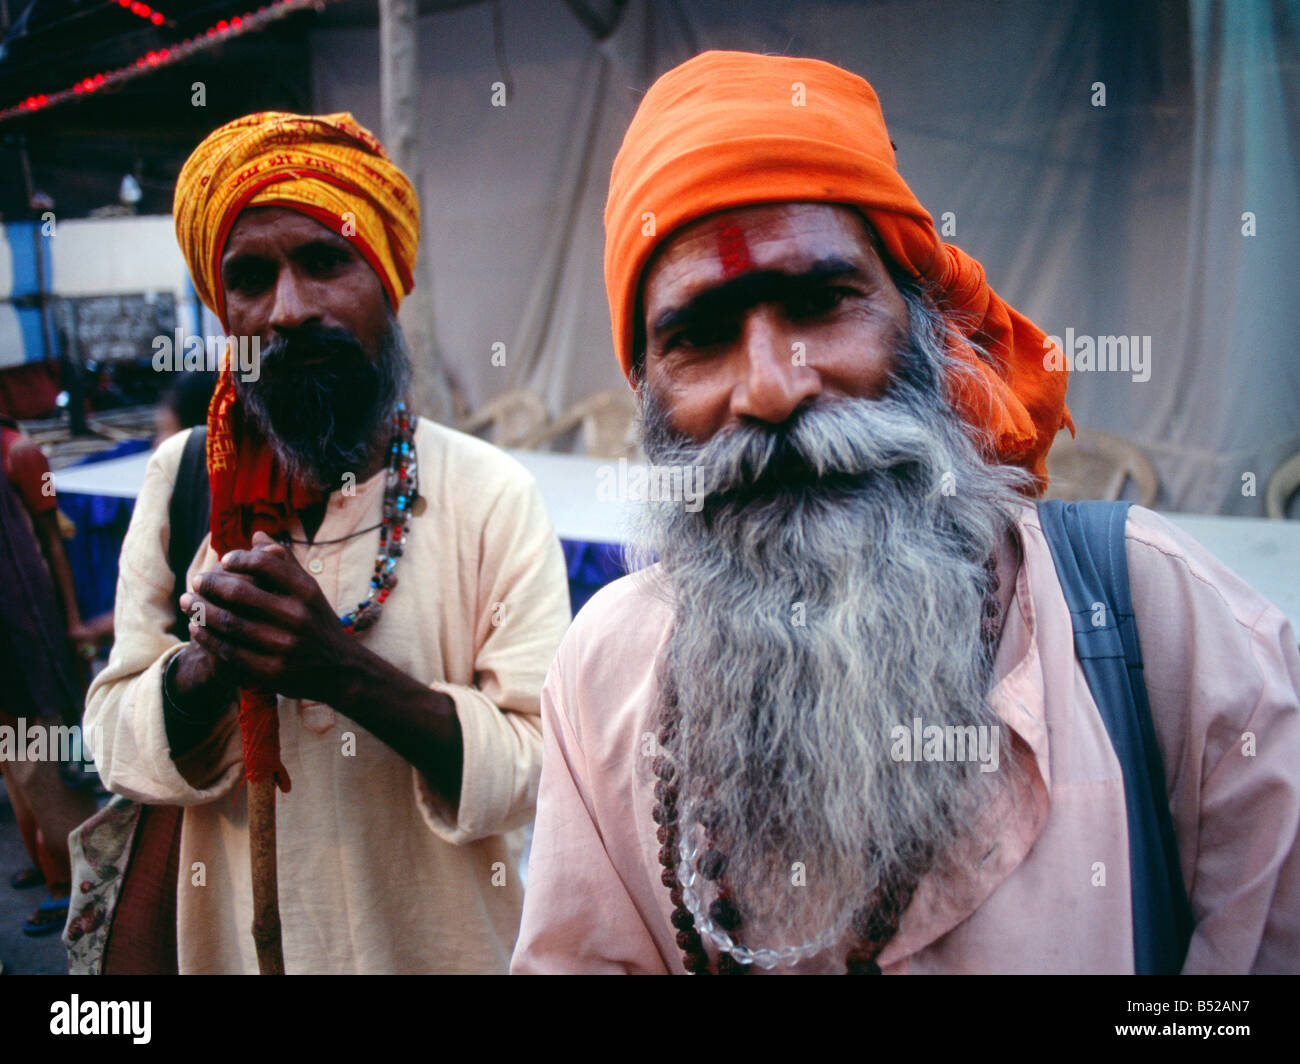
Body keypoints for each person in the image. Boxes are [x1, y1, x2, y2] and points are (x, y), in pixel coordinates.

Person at [511, 51, 1300, 974]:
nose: (770, 390)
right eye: (699, 336)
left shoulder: (1164, 626)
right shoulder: (606, 675)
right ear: (646, 390)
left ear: (923, 321)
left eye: (820, 302)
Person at [84, 112, 571, 973]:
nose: (290, 310)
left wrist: (339, 671)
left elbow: (541, 767)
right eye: (250, 278)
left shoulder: (491, 494)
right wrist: (206, 666)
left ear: (386, 280)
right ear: (222, 308)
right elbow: (115, 732)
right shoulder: (185, 479)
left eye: (324, 262)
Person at [0, 416, 101, 938]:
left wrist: (71, 626)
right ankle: (46, 866)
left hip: (25, 636)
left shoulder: (20, 453)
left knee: (44, 765)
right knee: (18, 770)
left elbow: (52, 542)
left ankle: (72, 888)